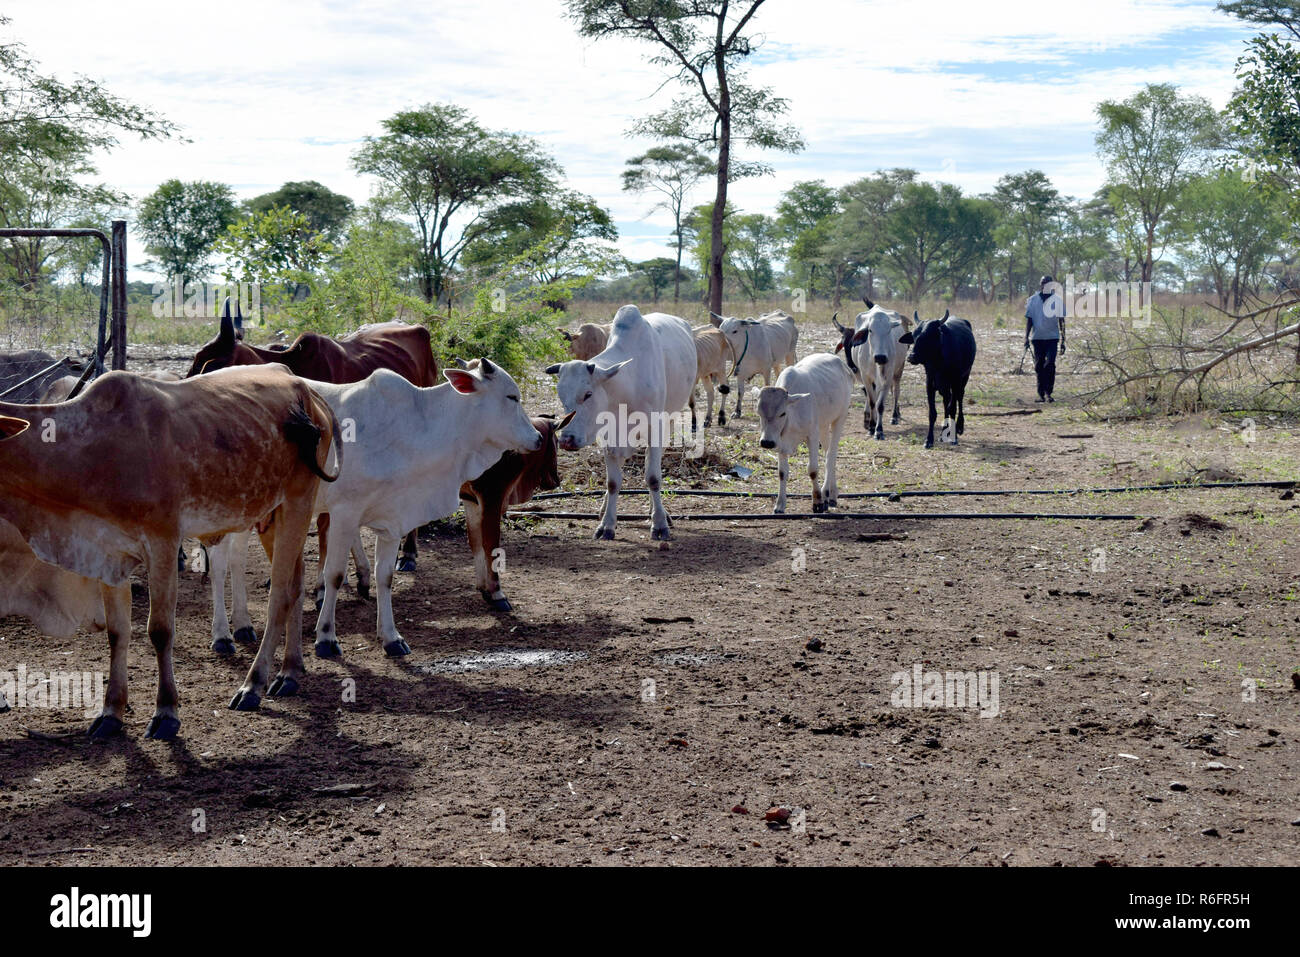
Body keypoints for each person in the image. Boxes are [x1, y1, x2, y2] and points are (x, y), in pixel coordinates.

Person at [1024, 275, 1066, 402]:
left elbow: (1062, 322)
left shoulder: (1057, 301)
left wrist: (1063, 340)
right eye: (1043, 283)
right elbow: (1029, 321)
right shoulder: (1032, 300)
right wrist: (1026, 338)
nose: (1045, 285)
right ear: (1040, 284)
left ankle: (1048, 393)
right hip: (1037, 338)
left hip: (1052, 338)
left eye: (1048, 283)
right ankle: (1041, 393)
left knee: (1050, 364)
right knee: (1039, 366)